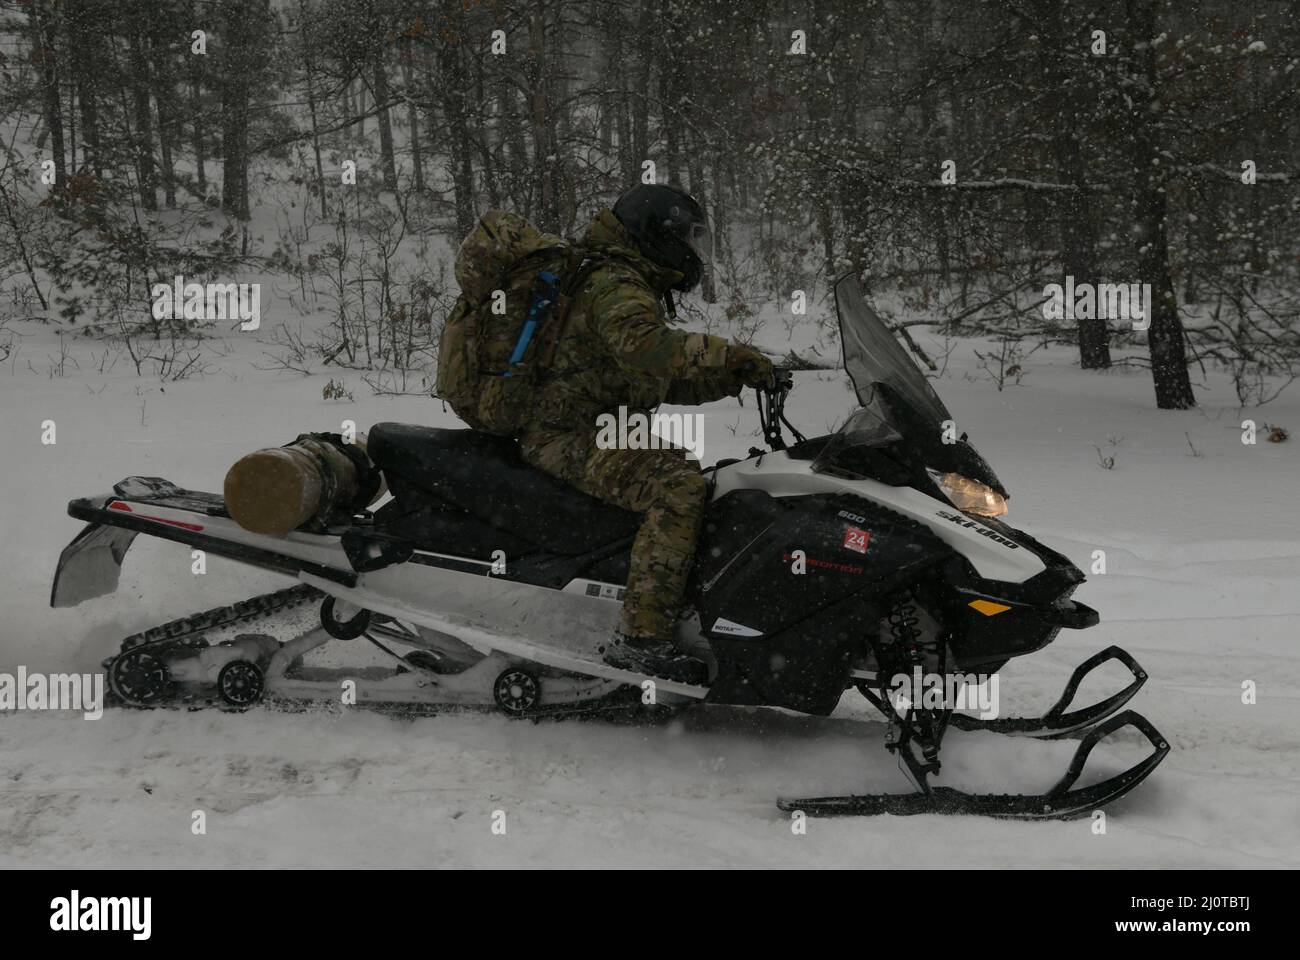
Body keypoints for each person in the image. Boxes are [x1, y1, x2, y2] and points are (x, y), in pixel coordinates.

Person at [518, 184, 773, 682]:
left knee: (693, 471)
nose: (694, 252)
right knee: (678, 488)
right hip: (564, 435)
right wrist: (727, 352)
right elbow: (644, 346)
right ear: (658, 234)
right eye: (689, 238)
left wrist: (732, 377)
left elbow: (652, 378)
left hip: (601, 429)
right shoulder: (613, 281)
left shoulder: (622, 277)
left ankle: (671, 601)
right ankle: (640, 638)